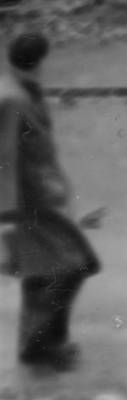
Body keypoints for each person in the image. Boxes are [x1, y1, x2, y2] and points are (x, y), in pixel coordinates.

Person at [0, 33, 100, 369]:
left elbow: (41, 151)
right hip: (27, 203)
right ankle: (40, 345)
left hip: (42, 198)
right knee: (70, 266)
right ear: (40, 61)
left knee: (49, 269)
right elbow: (4, 159)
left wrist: (67, 198)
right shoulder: (12, 99)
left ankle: (45, 342)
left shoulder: (23, 91)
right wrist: (6, 218)